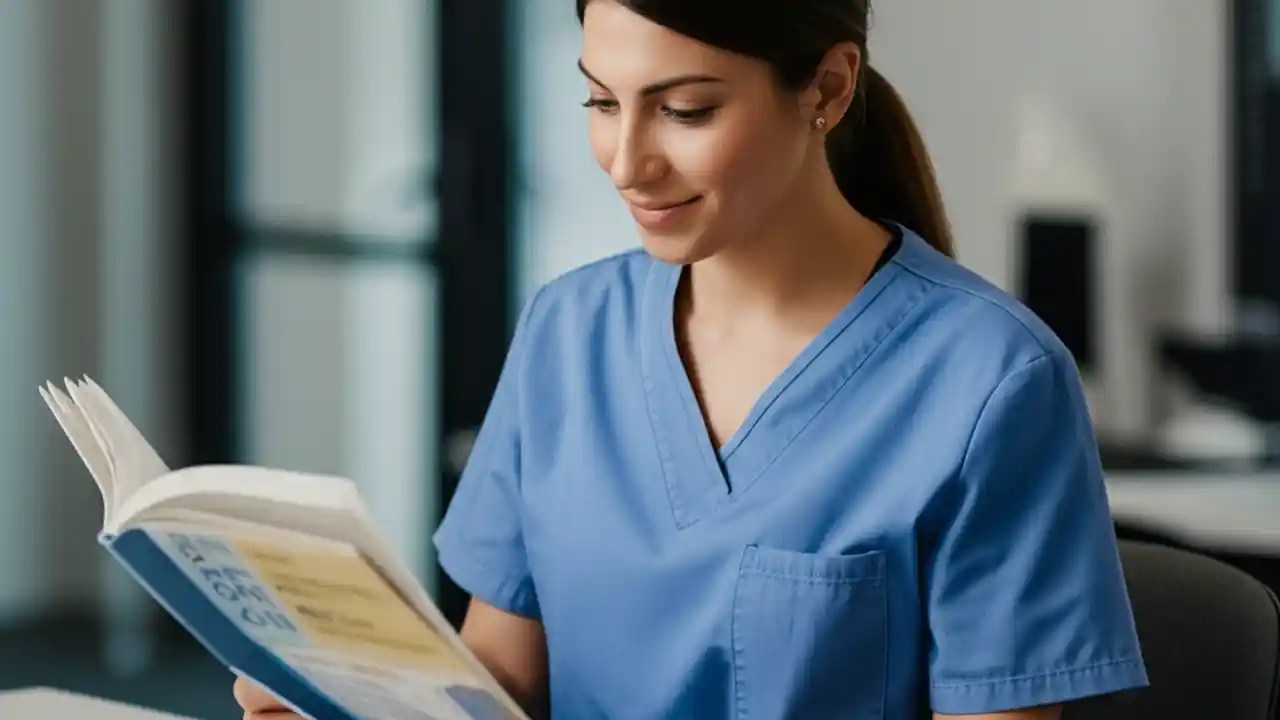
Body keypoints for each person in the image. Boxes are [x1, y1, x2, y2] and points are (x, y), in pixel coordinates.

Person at [236, 0, 1149, 717]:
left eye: (684, 109)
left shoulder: (993, 383)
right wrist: (353, 703)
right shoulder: (567, 332)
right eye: (600, 102)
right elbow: (502, 686)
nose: (626, 162)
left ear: (828, 89)